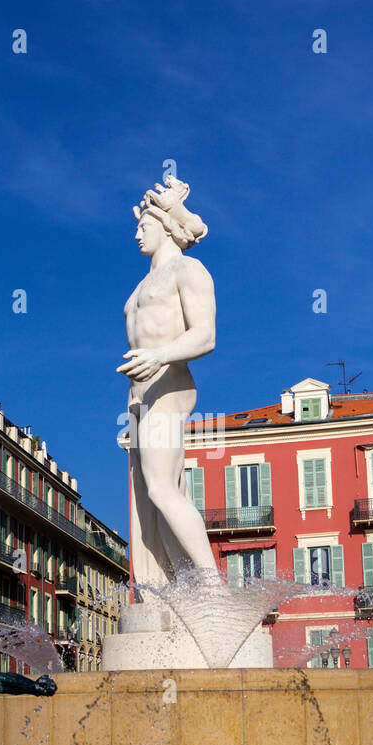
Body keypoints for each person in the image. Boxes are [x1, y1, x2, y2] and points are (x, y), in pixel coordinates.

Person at [117, 176, 218, 587]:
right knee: (147, 505)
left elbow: (206, 335)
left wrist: (158, 355)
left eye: (144, 225)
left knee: (161, 488)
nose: (137, 232)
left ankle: (211, 587)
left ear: (165, 225)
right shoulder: (141, 286)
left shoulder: (188, 270)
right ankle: (167, 591)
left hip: (168, 386)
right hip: (138, 395)